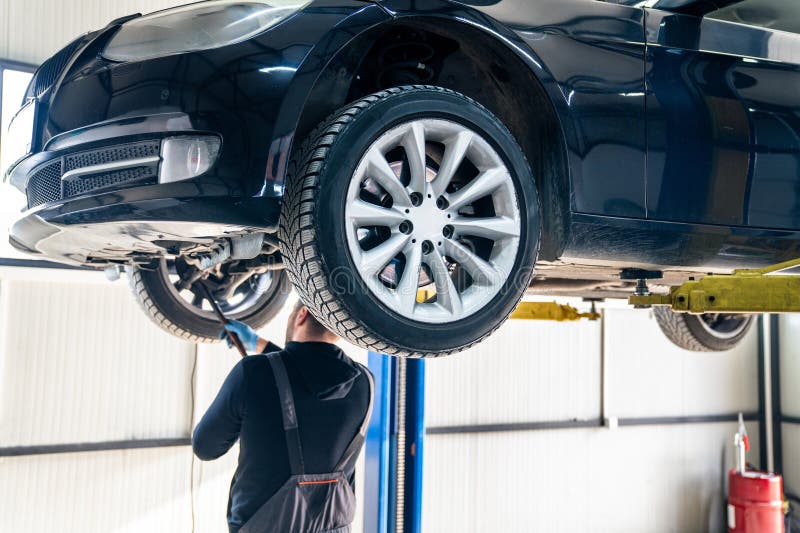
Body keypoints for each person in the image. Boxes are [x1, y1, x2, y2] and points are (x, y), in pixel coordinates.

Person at [192, 300, 373, 533]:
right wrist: (259, 344)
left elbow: (205, 447)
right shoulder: (365, 383)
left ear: (302, 314)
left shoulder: (252, 373)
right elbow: (306, 375)